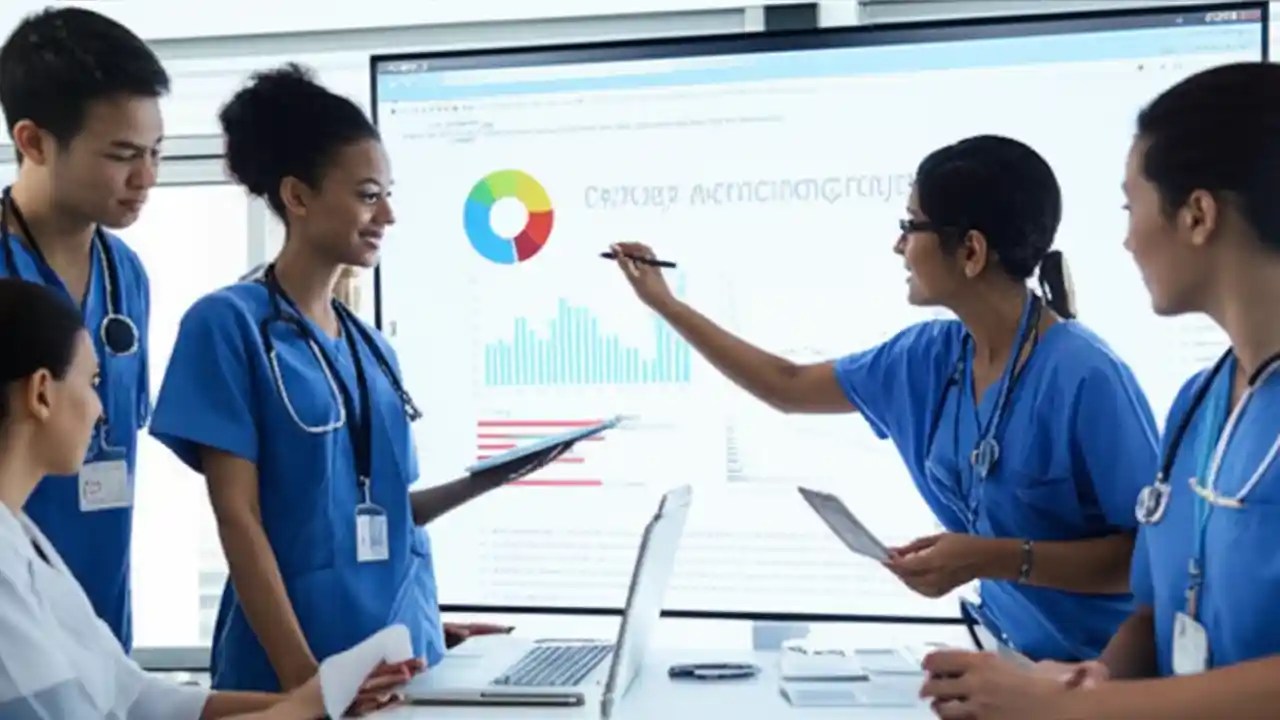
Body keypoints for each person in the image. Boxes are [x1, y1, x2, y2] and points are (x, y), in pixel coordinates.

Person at [609, 134, 1159, 662]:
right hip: (1010, 666)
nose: (899, 245)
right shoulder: (926, 358)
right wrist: (665, 305)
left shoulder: (1088, 377)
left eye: (909, 226)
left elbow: (1150, 559)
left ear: (970, 250)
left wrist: (991, 559)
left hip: (1104, 681)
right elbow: (788, 385)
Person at [149, 64, 566, 693]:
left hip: (399, 662)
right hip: (298, 671)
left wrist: (491, 481)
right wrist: (307, 687)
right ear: (297, 195)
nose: (388, 214)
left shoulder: (371, 347)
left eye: (388, 194)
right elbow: (240, 519)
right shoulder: (228, 325)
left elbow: (387, 514)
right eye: (369, 195)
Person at [919, 62, 1280, 720]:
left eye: (1130, 206)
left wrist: (1075, 710)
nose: (1126, 238)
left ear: (1198, 214)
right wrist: (1082, 683)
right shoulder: (1199, 408)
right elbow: (1157, 612)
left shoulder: (1086, 371)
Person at [0, 277, 424, 719]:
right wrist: (302, 707)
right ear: (42, 393)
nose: (101, 408)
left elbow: (136, 697)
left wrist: (319, 701)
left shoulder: (22, 536)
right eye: (92, 382)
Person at [0, 6, 166, 651]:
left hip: (100, 629)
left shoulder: (128, 276)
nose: (145, 178)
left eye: (155, 153)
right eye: (122, 156)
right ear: (34, 141)